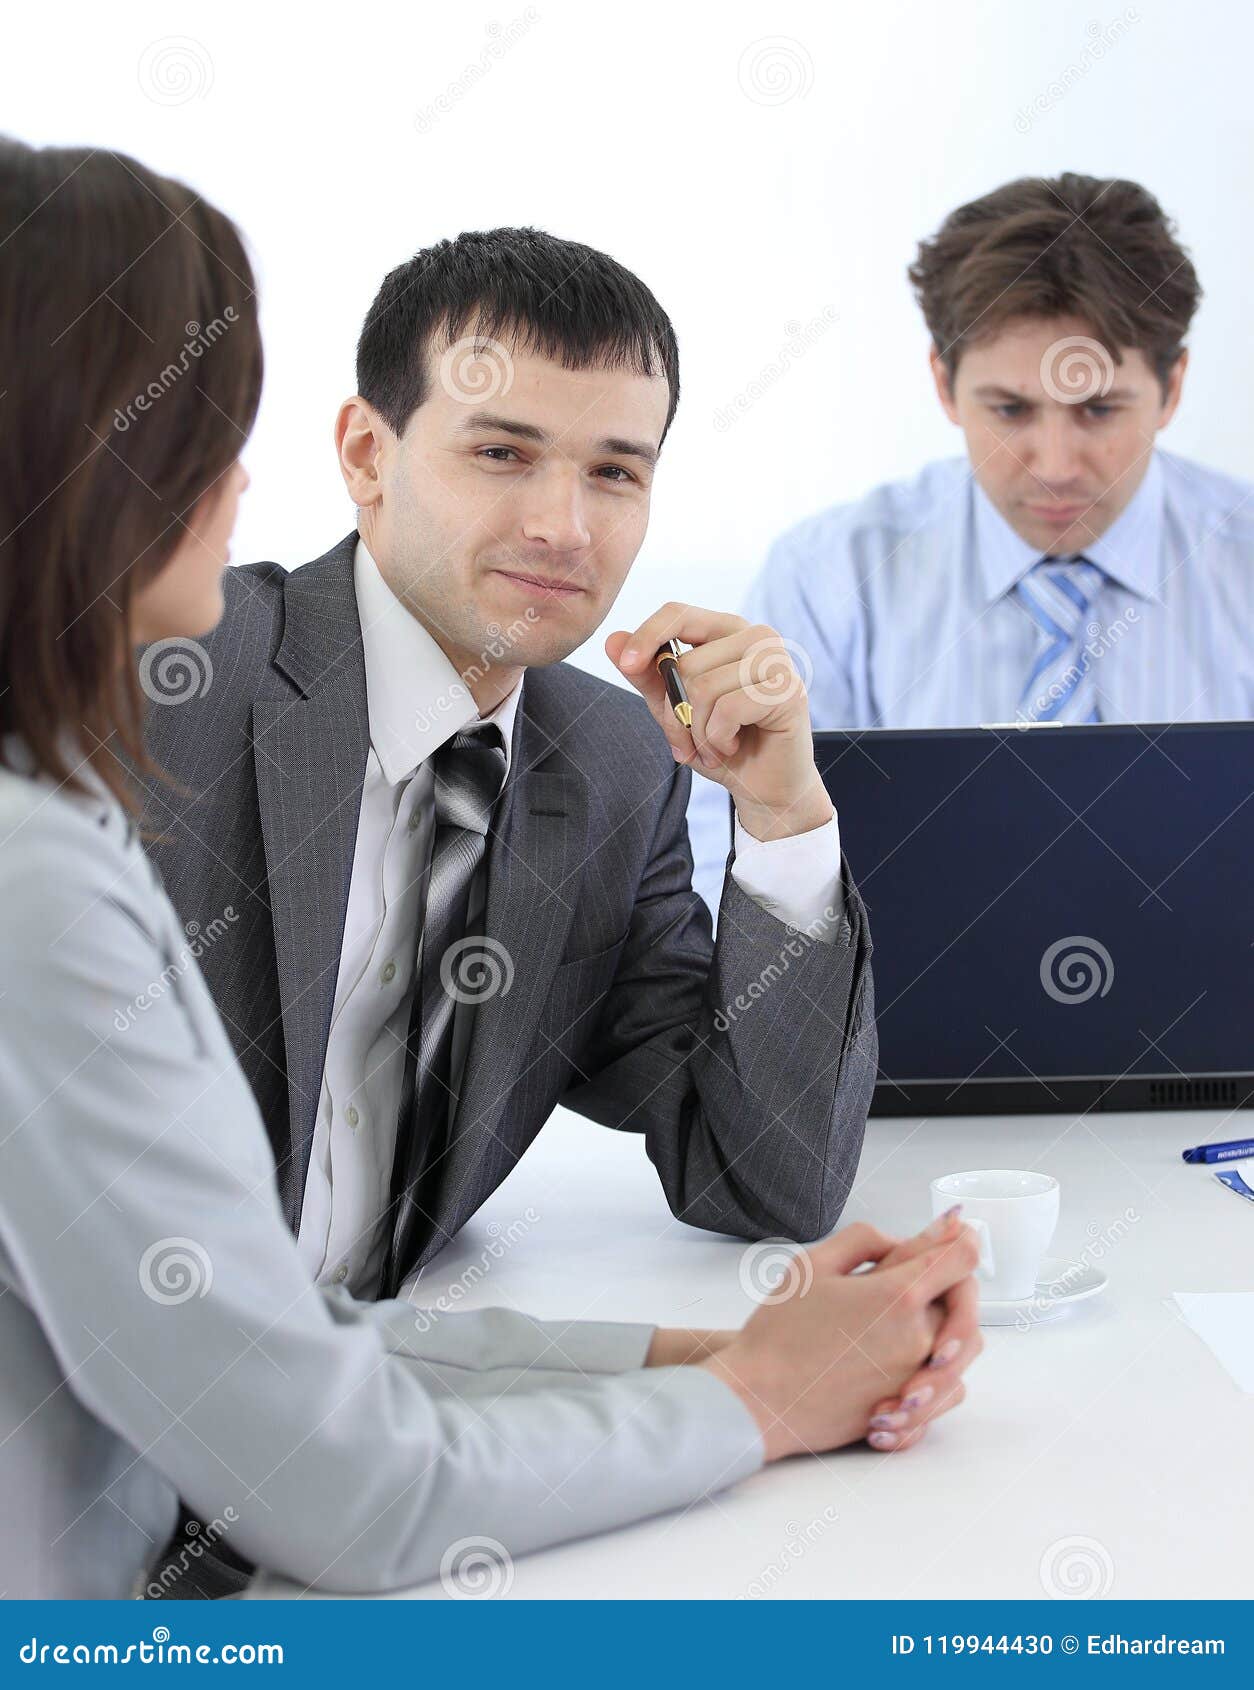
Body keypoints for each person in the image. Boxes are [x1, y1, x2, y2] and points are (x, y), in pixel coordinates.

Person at [0, 139, 982, 1602]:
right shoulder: (151, 705)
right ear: (363, 453)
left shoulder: (606, 764)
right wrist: (752, 1397)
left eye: (612, 471)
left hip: (279, 1481)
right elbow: (291, 1429)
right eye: (501, 452)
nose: (560, 527)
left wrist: (782, 816)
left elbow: (762, 1169)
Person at [688, 172, 1254, 919]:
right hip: (896, 1021)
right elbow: (726, 865)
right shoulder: (829, 578)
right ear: (944, 385)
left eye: (1100, 409)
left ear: (1173, 388)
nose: (1054, 465)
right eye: (1011, 409)